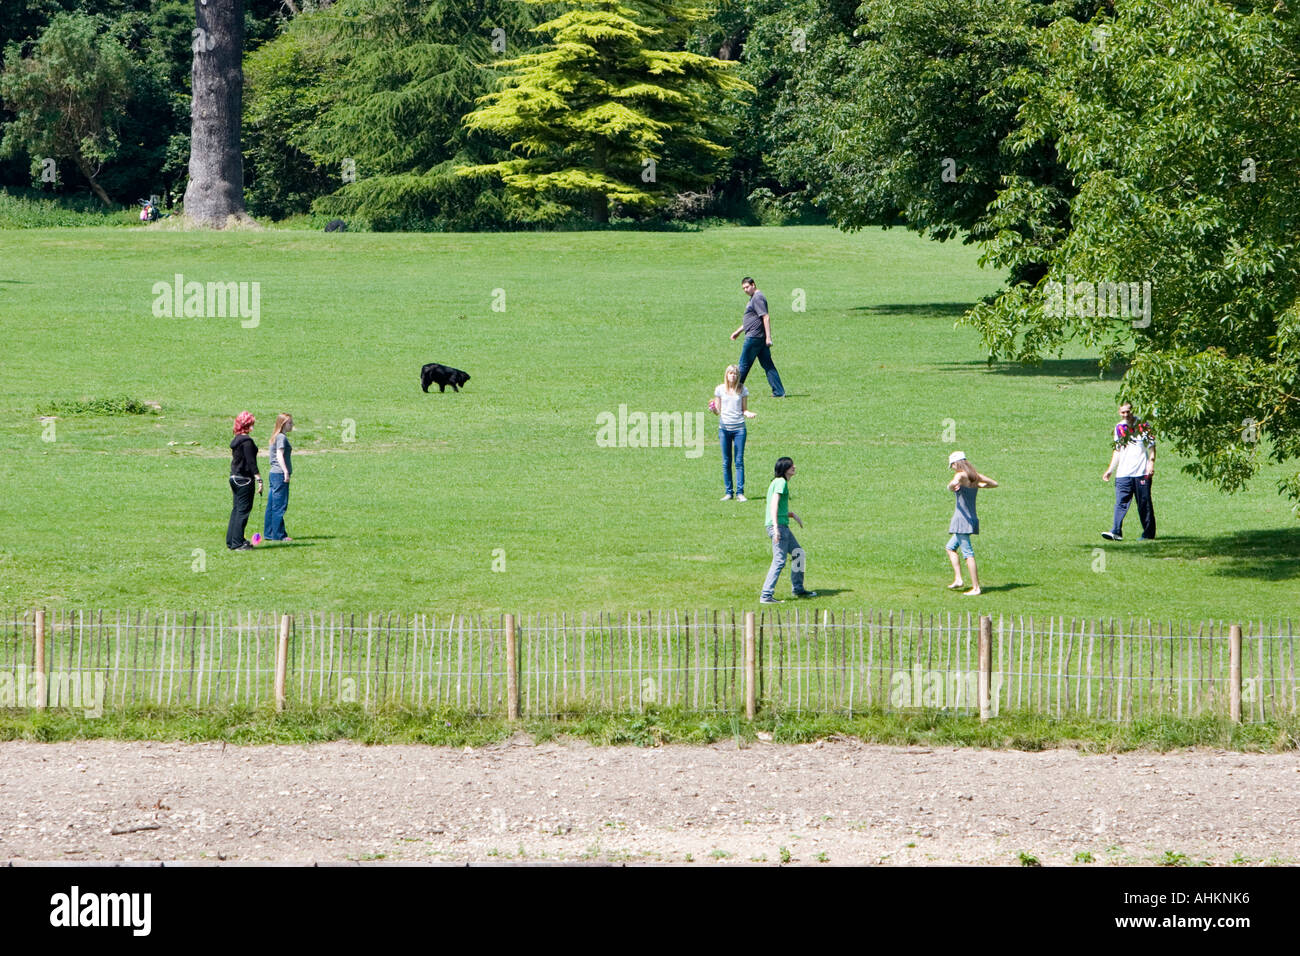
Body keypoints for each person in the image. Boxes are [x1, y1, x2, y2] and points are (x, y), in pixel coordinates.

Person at [761, 457, 816, 603]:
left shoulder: (777, 482)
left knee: (799, 553)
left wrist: (791, 515)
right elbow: (774, 505)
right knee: (779, 561)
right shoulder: (781, 482)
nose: (794, 467)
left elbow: (778, 509)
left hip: (781, 525)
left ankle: (798, 589)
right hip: (779, 527)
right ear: (785, 468)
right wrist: (775, 528)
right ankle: (766, 595)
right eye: (791, 465)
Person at [945, 451, 997, 596]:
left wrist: (952, 486)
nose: (953, 468)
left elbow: (954, 482)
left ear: (957, 463)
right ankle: (958, 579)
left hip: (961, 520)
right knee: (950, 547)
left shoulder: (960, 475)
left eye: (953, 465)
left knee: (968, 553)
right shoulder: (975, 476)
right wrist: (980, 485)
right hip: (971, 518)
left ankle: (976, 587)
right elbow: (994, 483)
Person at [1101, 402, 1155, 540]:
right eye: (1123, 412)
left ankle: (1148, 534)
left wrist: (1151, 464)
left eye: (1128, 412)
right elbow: (1118, 450)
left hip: (1141, 472)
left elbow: (1152, 447)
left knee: (1144, 503)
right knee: (1120, 503)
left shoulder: (1143, 426)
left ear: (1133, 411)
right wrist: (1110, 470)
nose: (1126, 415)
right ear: (1119, 412)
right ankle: (1116, 531)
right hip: (1123, 473)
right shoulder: (1119, 427)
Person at [730, 276, 786, 397]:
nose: (745, 290)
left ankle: (734, 391)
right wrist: (738, 331)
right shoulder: (753, 298)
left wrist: (768, 337)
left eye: (747, 287)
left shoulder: (758, 297)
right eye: (743, 288)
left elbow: (765, 317)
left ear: (753, 285)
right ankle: (779, 392)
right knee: (768, 365)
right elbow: (751, 320)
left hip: (754, 337)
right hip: (758, 337)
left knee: (743, 365)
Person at [711, 364, 755, 500]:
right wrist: (713, 410)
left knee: (739, 461)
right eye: (731, 373)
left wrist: (748, 413)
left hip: (739, 429)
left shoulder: (742, 390)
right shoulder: (720, 390)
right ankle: (728, 492)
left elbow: (744, 409)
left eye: (735, 374)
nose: (733, 376)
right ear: (726, 375)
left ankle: (740, 492)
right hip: (724, 429)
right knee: (726, 461)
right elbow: (718, 410)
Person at [227, 411, 262, 551]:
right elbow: (251, 462)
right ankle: (237, 544)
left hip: (234, 477)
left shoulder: (236, 440)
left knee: (236, 510)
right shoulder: (247, 442)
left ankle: (233, 540)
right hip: (244, 480)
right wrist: (259, 478)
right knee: (243, 511)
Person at [263, 413, 294, 542]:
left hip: (273, 474)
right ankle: (279, 535)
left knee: (271, 505)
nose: (292, 425)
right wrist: (285, 471)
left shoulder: (275, 437)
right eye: (290, 423)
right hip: (279, 474)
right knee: (280, 505)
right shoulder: (281, 437)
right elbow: (280, 455)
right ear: (283, 424)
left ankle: (269, 532)